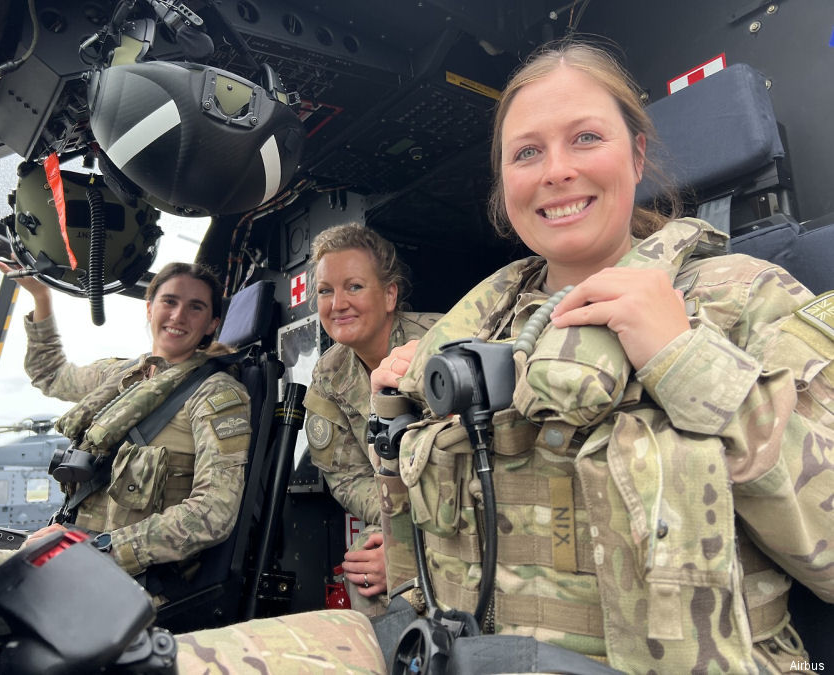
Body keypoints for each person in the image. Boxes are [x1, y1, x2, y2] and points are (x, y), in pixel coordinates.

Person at [370, 42, 834, 673]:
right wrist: (394, 421)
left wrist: (684, 359)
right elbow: (414, 572)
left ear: (637, 155)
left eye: (585, 138)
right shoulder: (462, 335)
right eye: (527, 152)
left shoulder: (748, 299)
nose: (556, 170)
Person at [0, 261, 251, 621]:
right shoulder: (121, 374)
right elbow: (50, 374)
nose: (178, 315)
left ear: (211, 324)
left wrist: (100, 549)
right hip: (74, 556)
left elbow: (213, 512)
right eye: (170, 301)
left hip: (129, 582)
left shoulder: (216, 395)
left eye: (196, 307)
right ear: (150, 308)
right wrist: (41, 298)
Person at [302, 223, 440, 615]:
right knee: (364, 564)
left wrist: (408, 548)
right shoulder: (329, 374)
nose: (337, 304)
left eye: (354, 286)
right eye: (325, 291)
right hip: (400, 510)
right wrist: (396, 527)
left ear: (390, 294)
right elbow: (346, 477)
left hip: (467, 507)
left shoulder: (441, 341)